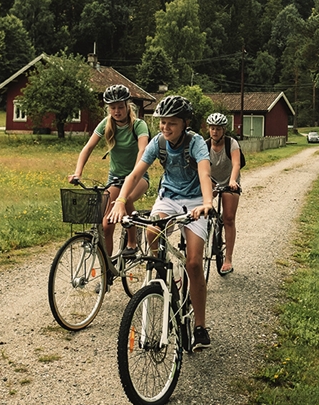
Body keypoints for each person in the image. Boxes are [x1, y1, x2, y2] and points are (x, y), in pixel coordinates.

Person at [107, 95, 214, 350]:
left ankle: (200, 326)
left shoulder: (196, 142)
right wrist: (121, 200)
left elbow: (204, 172)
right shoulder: (158, 142)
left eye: (172, 124)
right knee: (153, 231)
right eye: (162, 123)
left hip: (196, 200)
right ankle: (164, 274)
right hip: (168, 197)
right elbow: (136, 173)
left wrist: (208, 202)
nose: (165, 128)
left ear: (185, 124)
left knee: (194, 262)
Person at [68, 85, 150, 257]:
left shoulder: (138, 125)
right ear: (108, 108)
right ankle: (107, 268)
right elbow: (88, 148)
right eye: (113, 107)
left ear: (128, 106)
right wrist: (78, 172)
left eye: (120, 106)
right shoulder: (106, 124)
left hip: (138, 177)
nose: (117, 111)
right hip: (115, 178)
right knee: (106, 225)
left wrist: (134, 174)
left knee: (125, 198)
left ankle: (132, 242)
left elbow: (143, 151)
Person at [205, 112, 241, 275]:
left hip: (229, 182)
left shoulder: (231, 143)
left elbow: (236, 164)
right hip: (212, 181)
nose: (215, 132)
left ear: (223, 130)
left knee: (228, 218)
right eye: (212, 128)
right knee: (202, 210)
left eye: (218, 129)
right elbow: (201, 168)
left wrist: (233, 181)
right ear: (208, 129)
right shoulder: (204, 146)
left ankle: (228, 259)